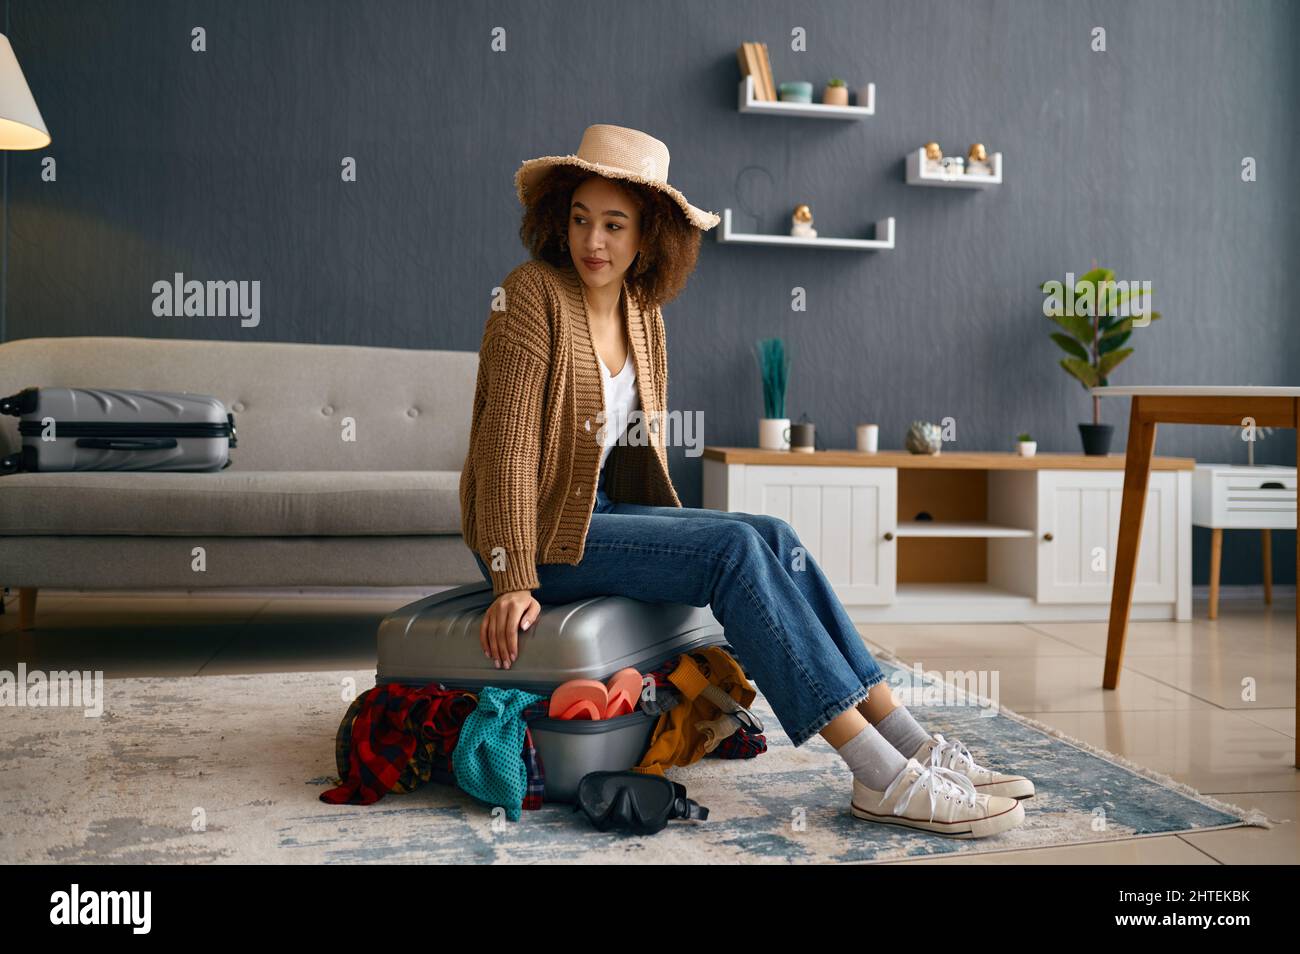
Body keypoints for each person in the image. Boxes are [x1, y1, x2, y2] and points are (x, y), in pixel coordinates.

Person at [459, 124, 1032, 837]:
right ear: (559, 219)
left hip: (600, 516)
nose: (593, 241)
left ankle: (912, 744)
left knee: (770, 535)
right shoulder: (530, 295)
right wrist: (511, 574)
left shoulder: (642, 315)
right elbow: (503, 449)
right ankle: (878, 776)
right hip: (535, 538)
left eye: (614, 224)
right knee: (731, 551)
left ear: (649, 236)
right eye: (580, 220)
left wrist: (670, 542)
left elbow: (632, 460)